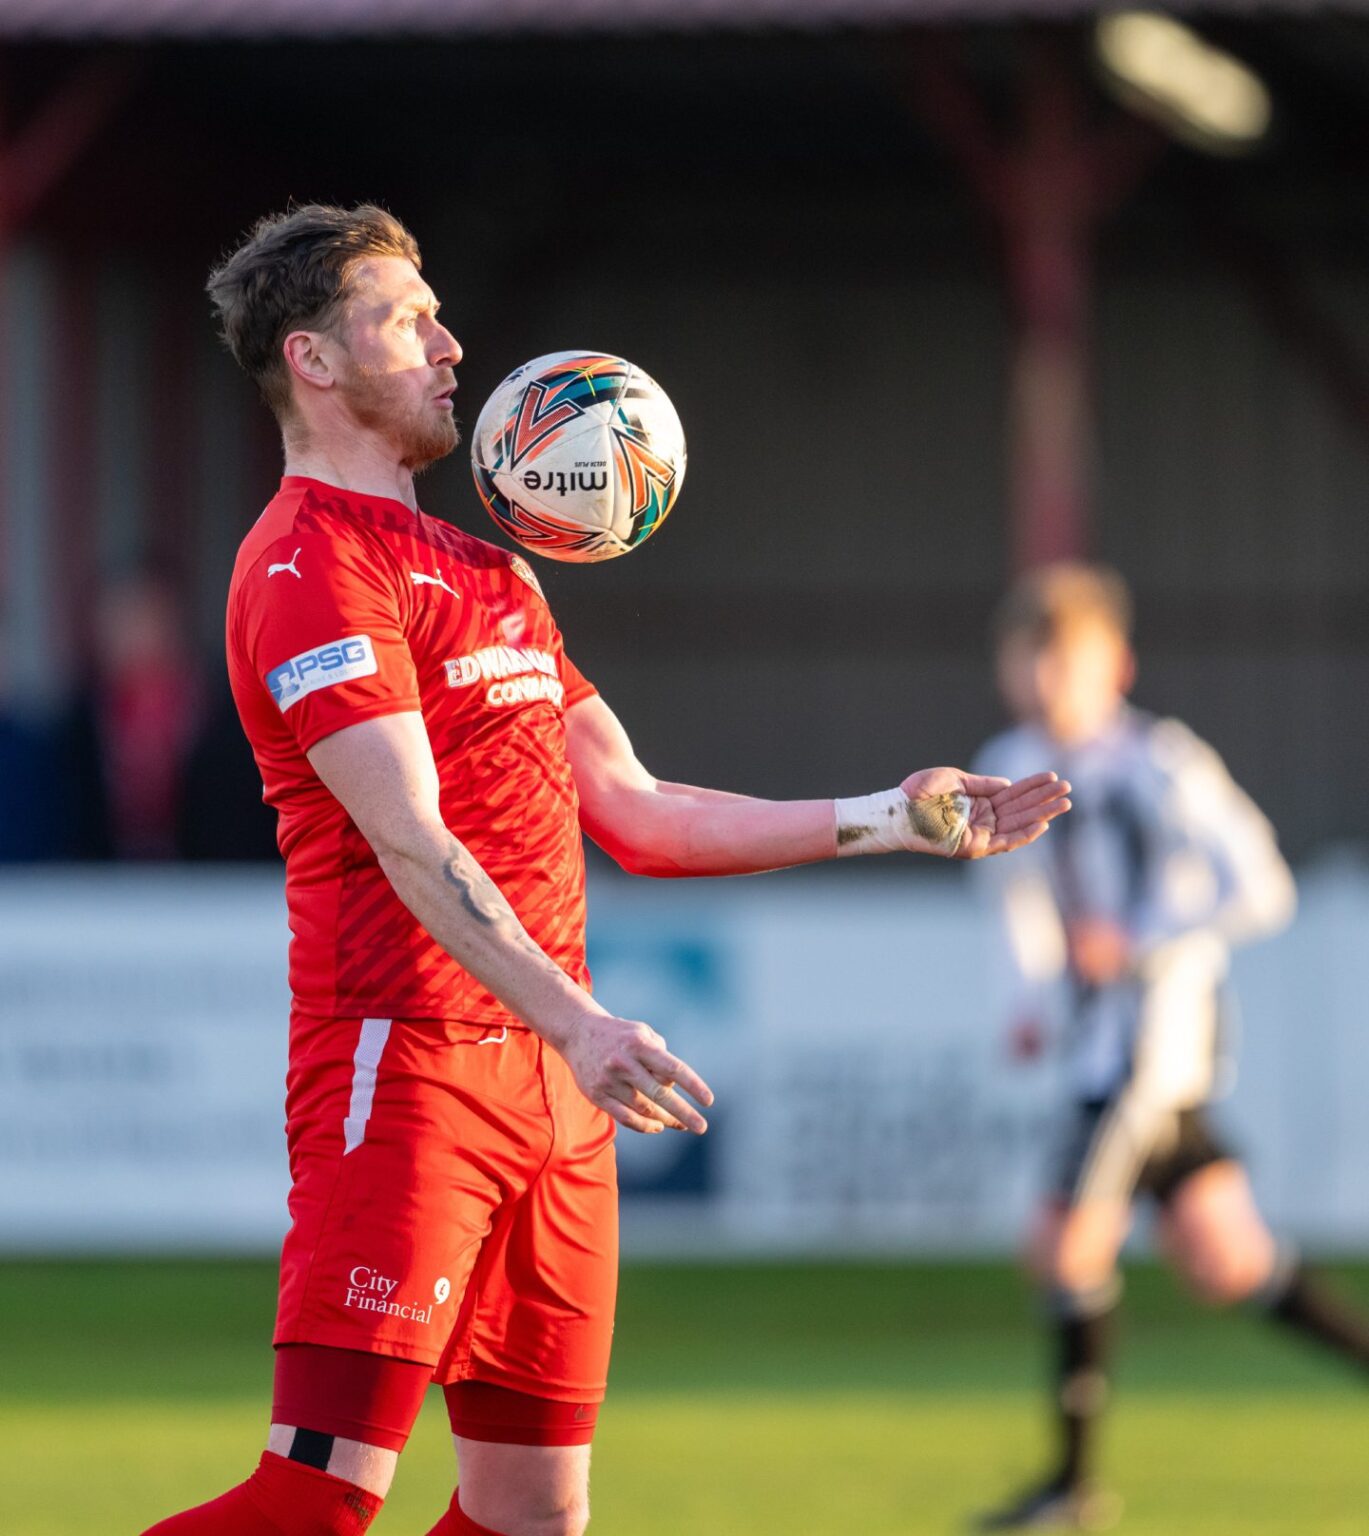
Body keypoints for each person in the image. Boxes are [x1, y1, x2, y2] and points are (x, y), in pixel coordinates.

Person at [141, 203, 1070, 1536]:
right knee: (316, 1500)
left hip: (554, 1093)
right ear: (315, 361)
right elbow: (411, 834)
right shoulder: (306, 567)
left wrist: (891, 816)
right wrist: (575, 1019)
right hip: (406, 1072)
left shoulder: (493, 573)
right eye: (409, 318)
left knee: (533, 1514)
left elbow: (636, 811)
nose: (452, 344)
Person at [972, 563, 1369, 1532]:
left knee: (1064, 1249)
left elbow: (1263, 886)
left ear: (1118, 665)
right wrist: (1030, 996)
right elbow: (1016, 904)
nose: (1048, 677)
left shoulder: (1162, 764)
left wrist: (1138, 943)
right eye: (1034, 658)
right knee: (1228, 1262)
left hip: (1150, 1054)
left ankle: (1071, 1488)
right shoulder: (1010, 759)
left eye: (1068, 657)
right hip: (1100, 1053)